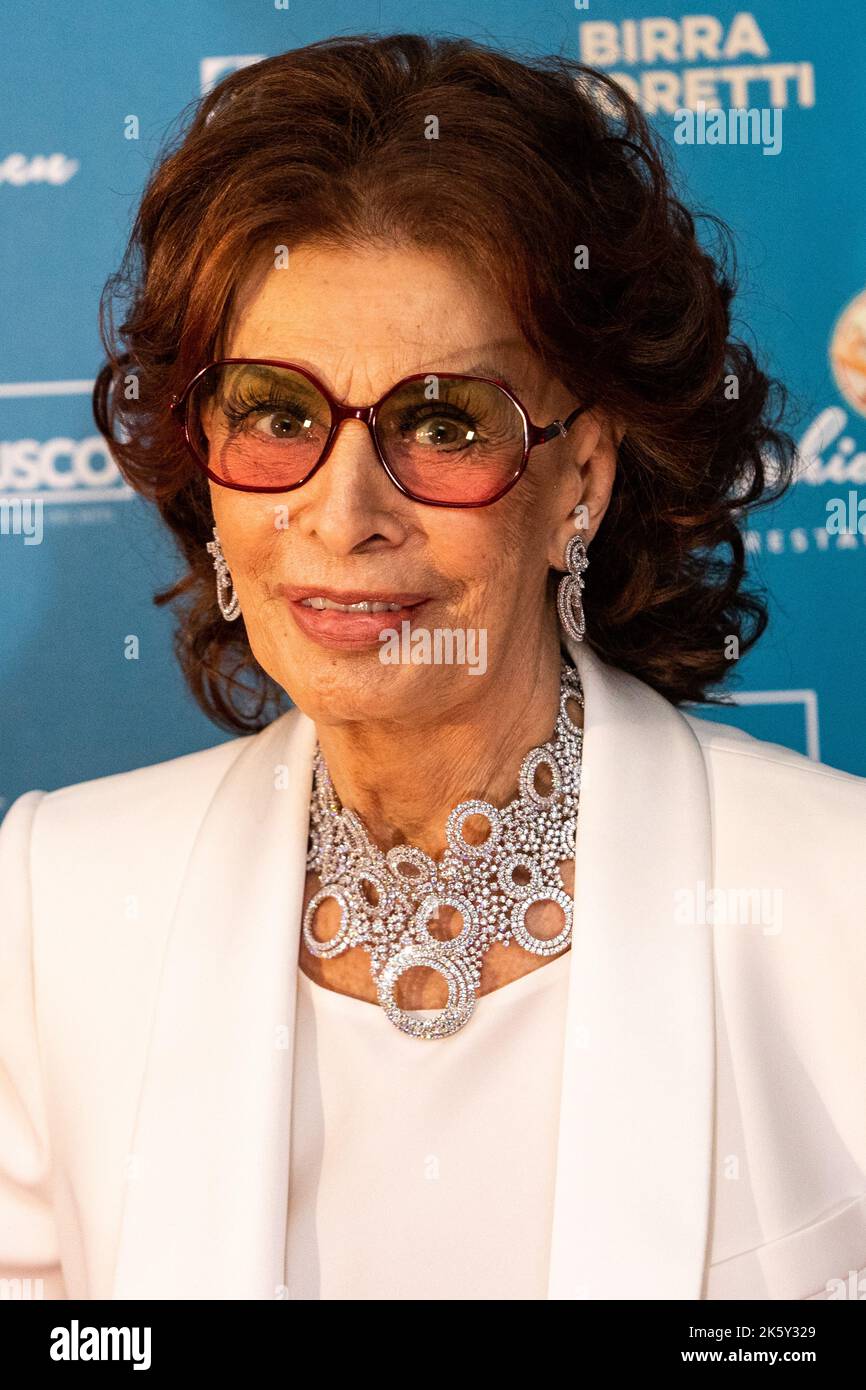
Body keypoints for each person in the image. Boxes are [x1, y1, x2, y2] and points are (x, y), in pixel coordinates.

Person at [1, 32, 864, 1302]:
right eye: (276, 412)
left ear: (582, 475)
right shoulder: (56, 902)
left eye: (442, 421)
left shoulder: (833, 899)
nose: (344, 513)